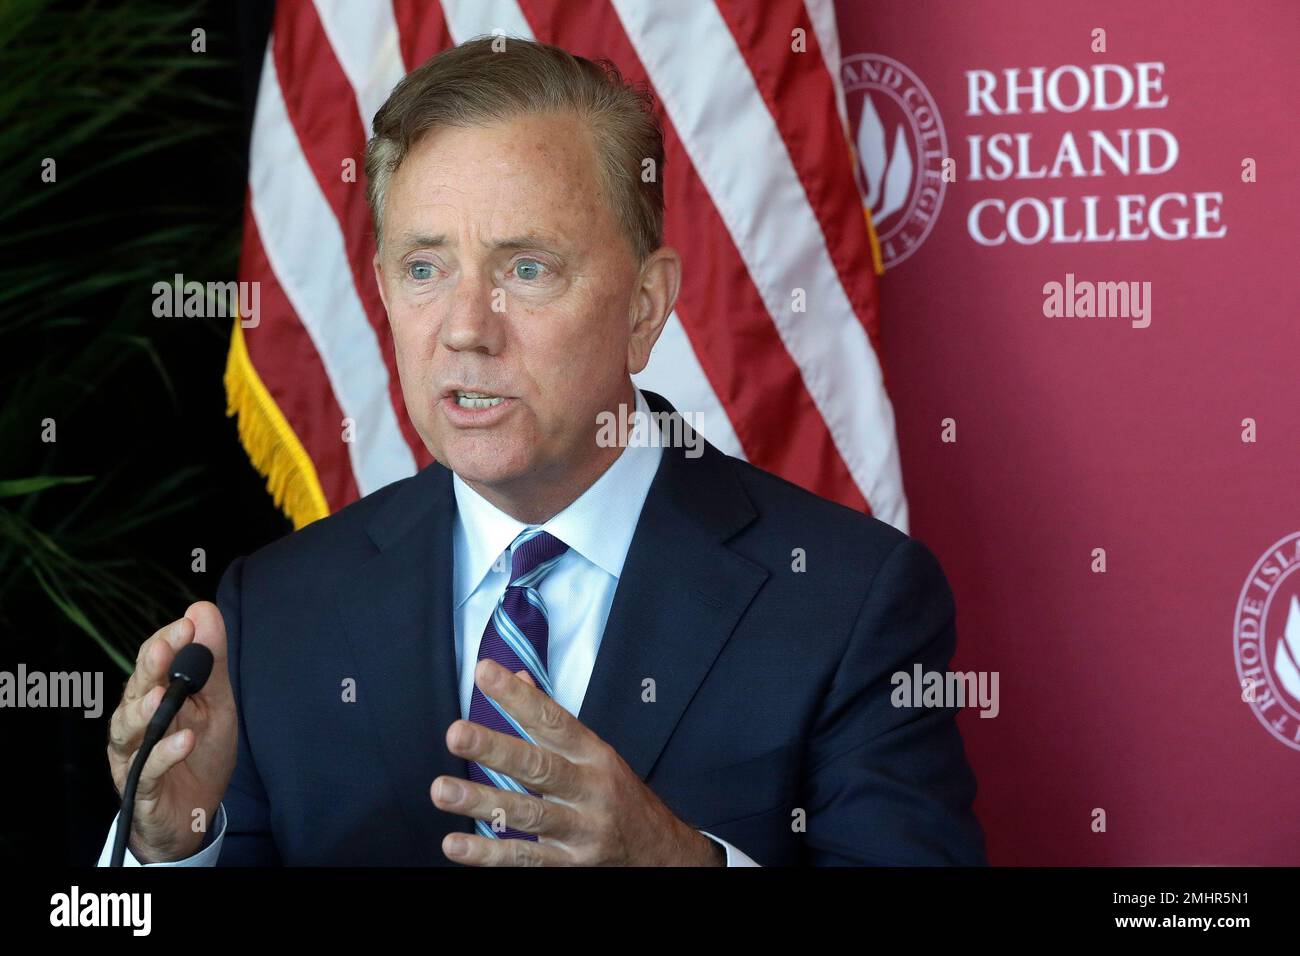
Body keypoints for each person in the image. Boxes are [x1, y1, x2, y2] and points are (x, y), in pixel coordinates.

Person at [101, 37, 986, 867]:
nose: (465, 329)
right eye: (424, 268)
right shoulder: (275, 611)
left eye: (527, 269)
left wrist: (683, 863)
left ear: (645, 306)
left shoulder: (848, 602)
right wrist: (174, 846)